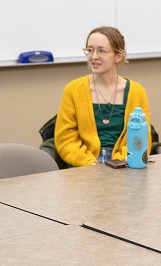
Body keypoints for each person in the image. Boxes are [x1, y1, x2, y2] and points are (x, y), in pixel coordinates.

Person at [54, 26, 151, 166]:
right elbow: (65, 139)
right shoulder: (73, 90)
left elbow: (141, 138)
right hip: (85, 168)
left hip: (124, 165)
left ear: (118, 56)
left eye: (101, 51)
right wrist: (89, 163)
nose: (94, 57)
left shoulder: (136, 92)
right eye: (89, 50)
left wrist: (120, 161)